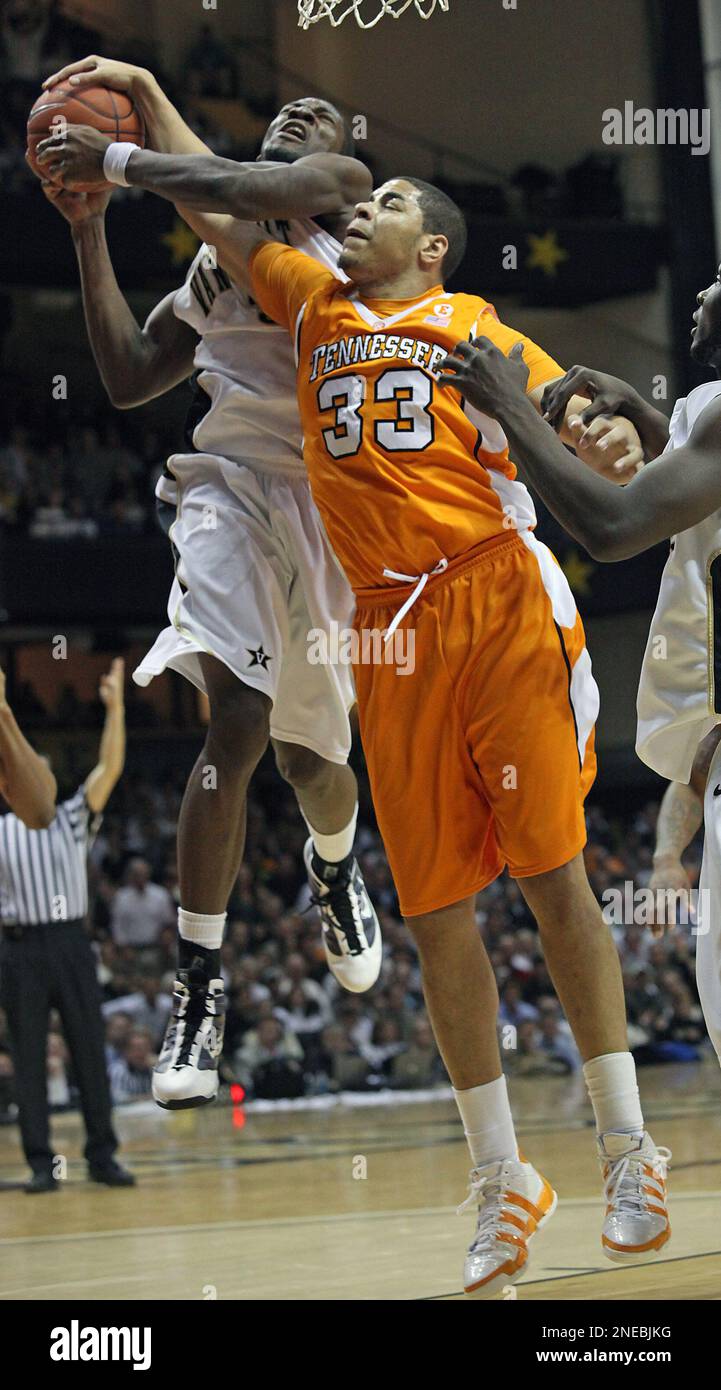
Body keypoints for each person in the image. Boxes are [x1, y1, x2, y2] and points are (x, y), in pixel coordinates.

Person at [38, 132, 671, 1295]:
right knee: (435, 913)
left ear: (427, 244)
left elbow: (590, 438)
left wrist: (617, 430)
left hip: (492, 597)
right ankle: (500, 1178)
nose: (356, 213)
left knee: (550, 878)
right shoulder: (312, 304)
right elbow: (223, 209)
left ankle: (626, 1144)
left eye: (382, 200)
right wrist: (113, 161)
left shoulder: (476, 326)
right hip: (386, 633)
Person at [36, 55, 385, 1114]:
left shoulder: (335, 205)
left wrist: (134, 109)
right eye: (284, 110)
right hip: (226, 489)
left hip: (330, 511)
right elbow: (131, 375)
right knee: (231, 723)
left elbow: (239, 192)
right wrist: (87, 223)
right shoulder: (211, 258)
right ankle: (200, 986)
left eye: (313, 113)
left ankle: (334, 864)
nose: (295, 116)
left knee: (311, 759)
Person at [442, 259, 721, 1083]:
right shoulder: (701, 419)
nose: (702, 292)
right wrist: (641, 410)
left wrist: (506, 410)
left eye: (719, 279)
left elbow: (614, 525)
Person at [0, 657, 135, 1191]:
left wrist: (117, 708)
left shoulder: (75, 816)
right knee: (29, 1057)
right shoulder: (3, 829)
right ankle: (40, 1163)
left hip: (70, 943)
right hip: (19, 947)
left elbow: (110, 766)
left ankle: (102, 1154)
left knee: (88, 1050)